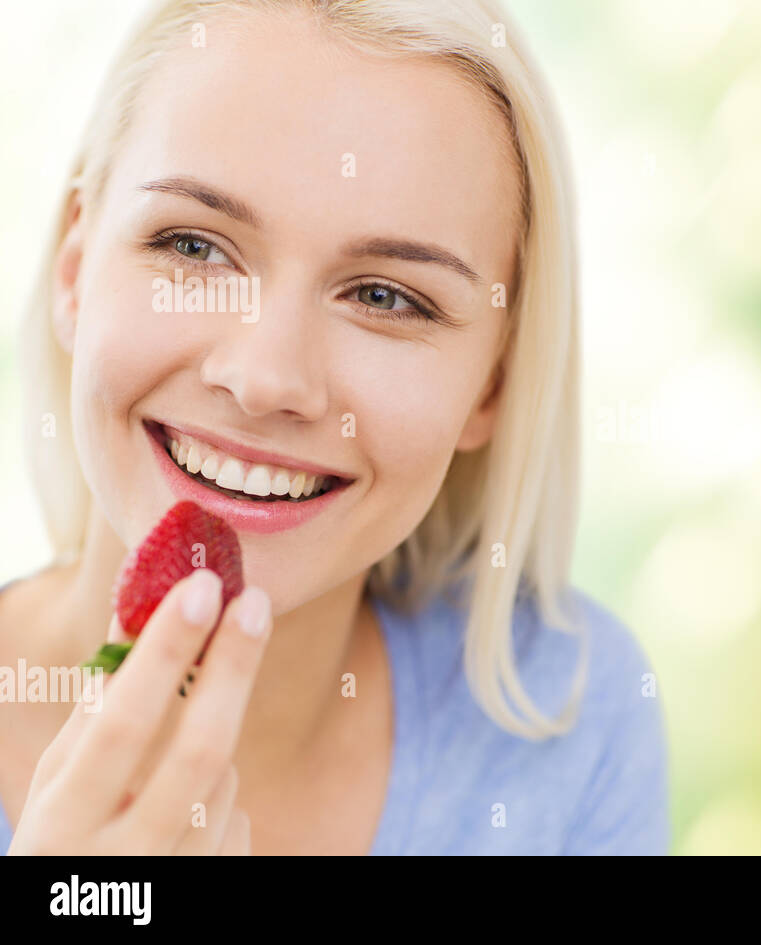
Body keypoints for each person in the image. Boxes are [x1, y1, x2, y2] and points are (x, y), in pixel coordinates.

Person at [0, 0, 668, 855]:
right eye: (195, 247)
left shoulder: (566, 720)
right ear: (75, 270)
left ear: (493, 383)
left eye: (386, 296)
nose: (264, 378)